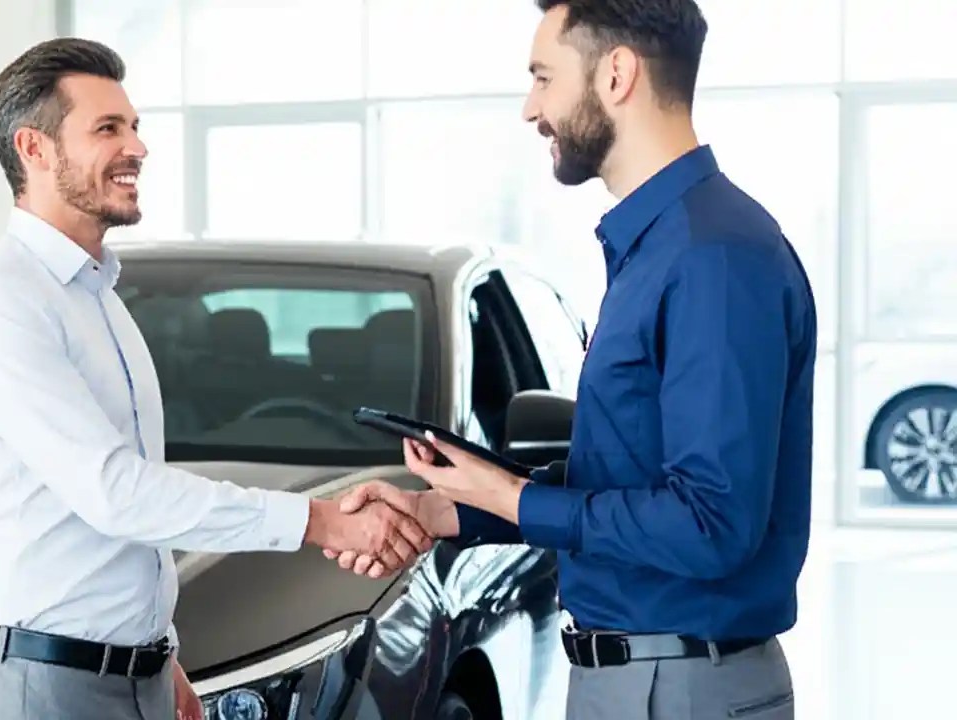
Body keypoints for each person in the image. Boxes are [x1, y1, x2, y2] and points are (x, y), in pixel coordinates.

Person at [330, 1, 816, 718]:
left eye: (543, 77)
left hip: (678, 687)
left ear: (616, 73)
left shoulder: (713, 258)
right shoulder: (658, 248)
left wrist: (513, 498)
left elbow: (711, 524)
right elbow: (628, 479)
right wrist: (449, 510)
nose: (532, 108)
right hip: (635, 677)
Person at [0, 37, 431, 720]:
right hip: (46, 688)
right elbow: (116, 492)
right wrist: (318, 522)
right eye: (107, 128)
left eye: (134, 126)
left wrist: (159, 658)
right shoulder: (5, 301)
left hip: (124, 677)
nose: (136, 147)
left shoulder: (97, 294)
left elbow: (124, 527)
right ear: (34, 149)